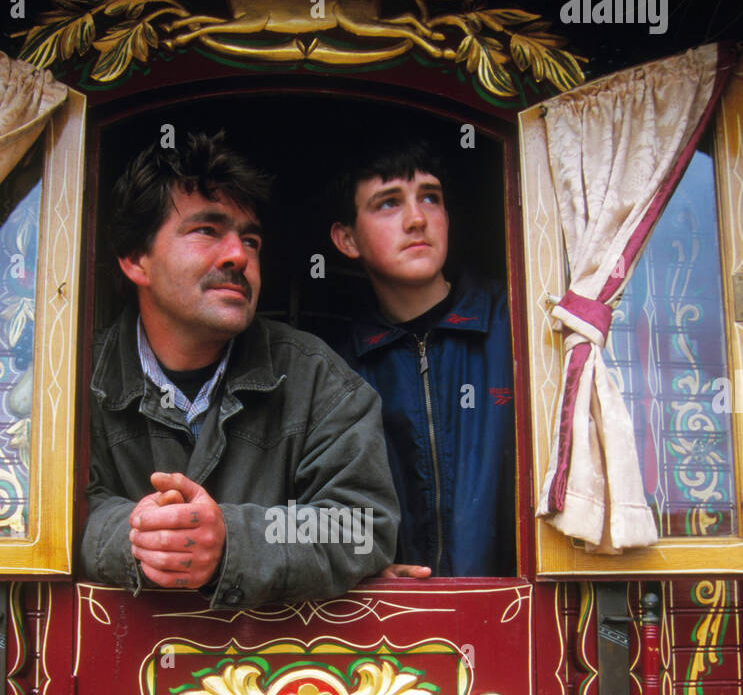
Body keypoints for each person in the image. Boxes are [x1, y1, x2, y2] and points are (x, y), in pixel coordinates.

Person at [81, 131, 399, 608]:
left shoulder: (317, 379)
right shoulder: (70, 378)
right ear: (135, 260)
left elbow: (357, 525)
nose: (238, 256)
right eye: (207, 231)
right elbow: (42, 513)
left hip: (287, 673)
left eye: (249, 240)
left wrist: (230, 538)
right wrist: (134, 534)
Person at [328, 137, 515, 578]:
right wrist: (364, 573)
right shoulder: (335, 367)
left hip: (517, 614)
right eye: (388, 204)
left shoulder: (517, 325)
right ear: (347, 239)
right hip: (398, 629)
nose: (417, 220)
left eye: (430, 198)